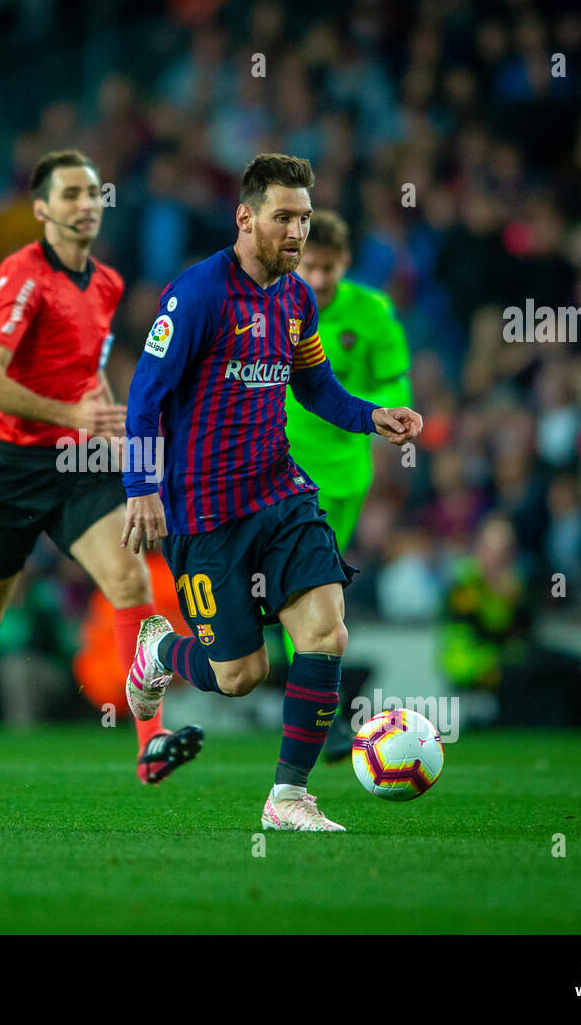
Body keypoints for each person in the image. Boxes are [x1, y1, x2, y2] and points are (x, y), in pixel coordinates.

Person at [119, 153, 423, 831]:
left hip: (281, 494)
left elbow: (314, 387)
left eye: (305, 219)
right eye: (283, 217)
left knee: (327, 632)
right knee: (240, 675)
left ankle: (288, 797)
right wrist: (141, 489)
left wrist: (371, 415)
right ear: (245, 217)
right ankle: (161, 652)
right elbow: (144, 399)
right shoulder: (196, 295)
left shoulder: (295, 298)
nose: (296, 232)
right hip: (204, 511)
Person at [0, 149, 203, 784]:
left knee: (131, 581)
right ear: (41, 210)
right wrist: (72, 416)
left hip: (76, 463)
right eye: (70, 195)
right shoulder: (22, 276)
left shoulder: (107, 285)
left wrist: (138, 476)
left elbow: (98, 391)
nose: (85, 205)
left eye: (92, 193)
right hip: (10, 465)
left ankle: (149, 741)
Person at [281, 211, 412, 760]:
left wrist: (394, 425)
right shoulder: (279, 301)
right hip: (282, 464)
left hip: (344, 475)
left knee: (309, 587)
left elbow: (393, 384)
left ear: (346, 263)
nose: (317, 277)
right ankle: (325, 704)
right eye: (309, 265)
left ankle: (320, 702)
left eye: (327, 268)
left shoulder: (374, 312)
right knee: (300, 586)